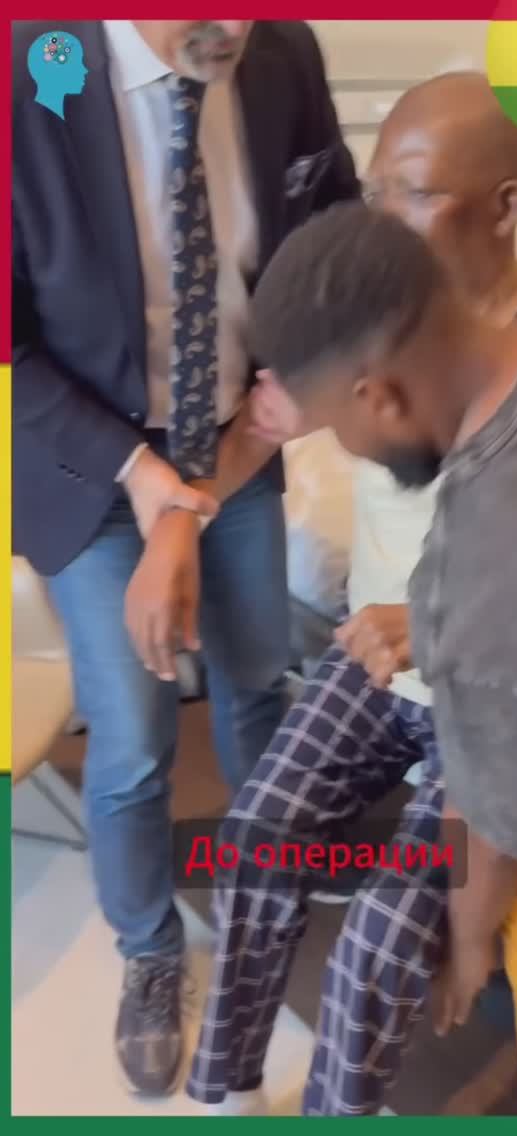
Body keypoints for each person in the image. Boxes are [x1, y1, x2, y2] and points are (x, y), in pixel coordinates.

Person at [187, 73, 517, 1117]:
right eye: (377, 188)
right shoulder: (369, 321)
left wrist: (431, 620)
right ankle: (223, 1089)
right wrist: (176, 520)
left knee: (375, 949)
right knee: (252, 839)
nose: (385, 218)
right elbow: (269, 423)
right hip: (374, 662)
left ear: (503, 206)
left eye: (416, 193)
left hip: (481, 693)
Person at [12, 18, 359, 1095]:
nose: (236, 25)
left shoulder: (282, 52)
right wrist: (148, 485)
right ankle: (150, 949)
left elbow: (333, 234)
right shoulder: (30, 71)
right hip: (89, 462)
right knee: (131, 737)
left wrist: (304, 378)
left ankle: (266, 881)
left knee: (259, 680)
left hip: (238, 438)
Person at [247, 198, 517, 1117]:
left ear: (378, 396)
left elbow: (493, 830)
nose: (349, 448)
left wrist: (469, 945)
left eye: (335, 426)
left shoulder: (488, 590)